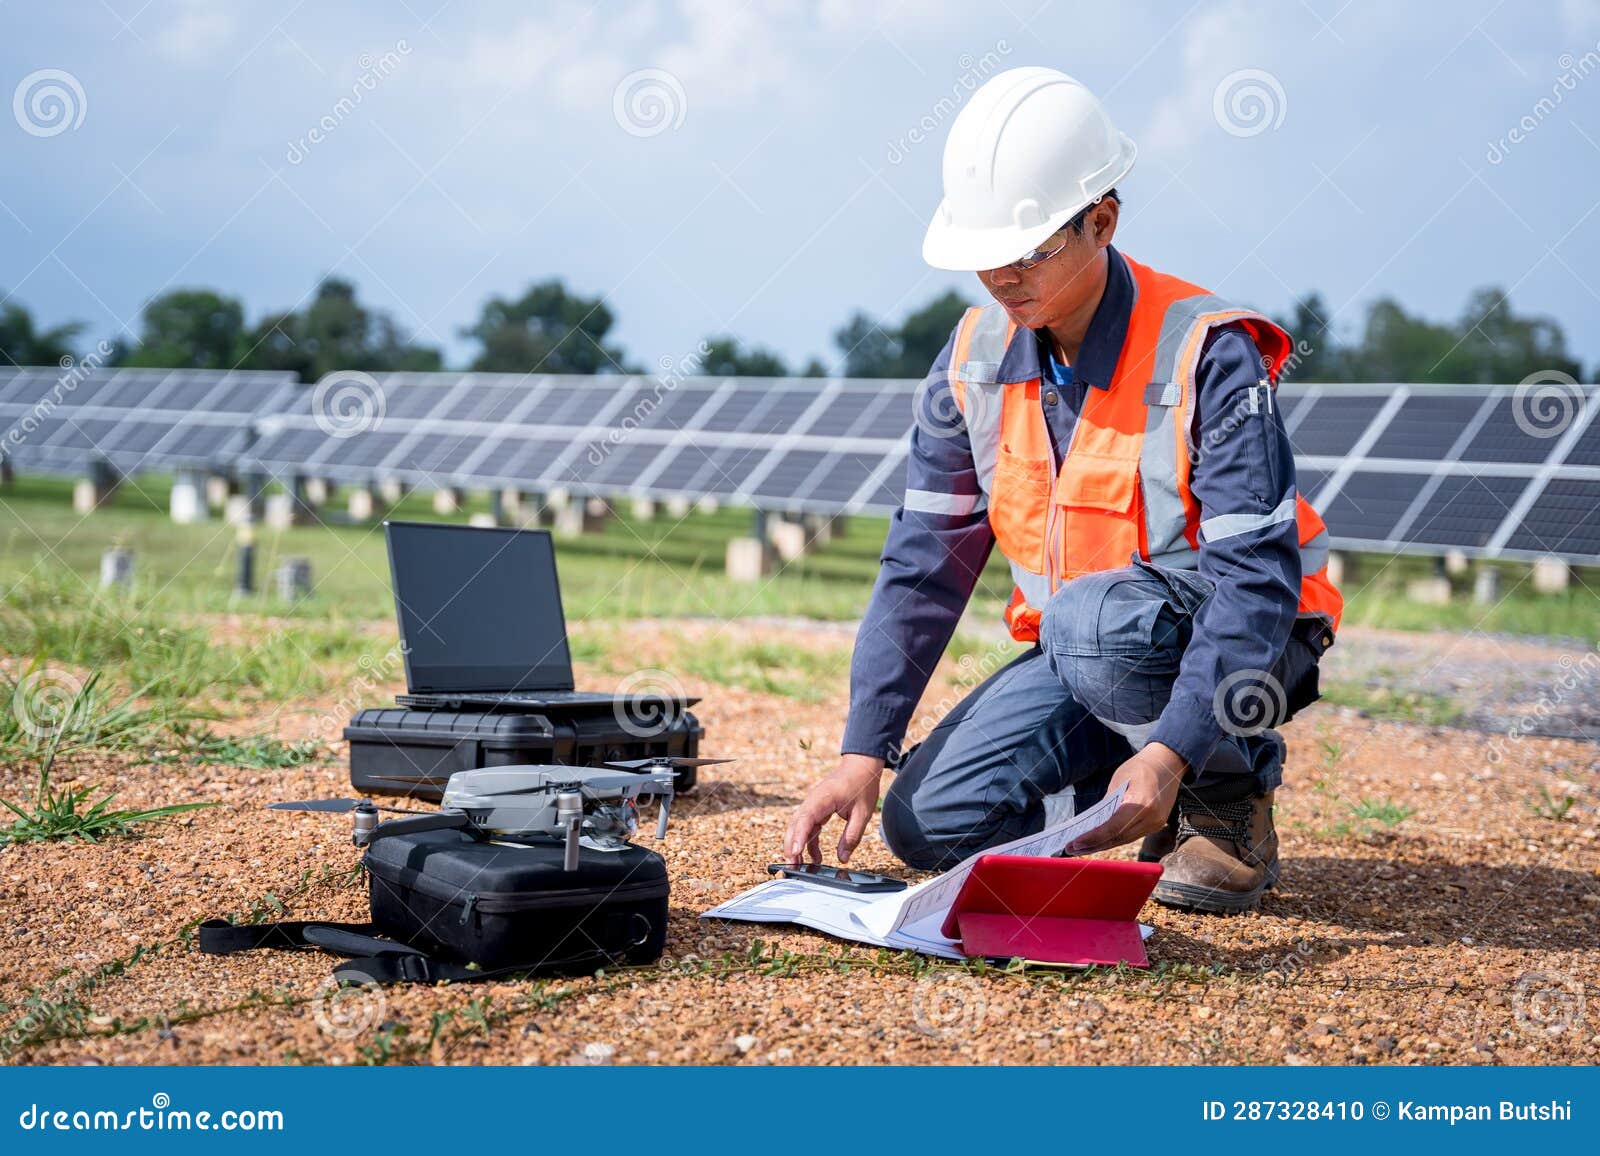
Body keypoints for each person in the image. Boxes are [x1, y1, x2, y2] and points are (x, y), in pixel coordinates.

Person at [783, 67, 1342, 914]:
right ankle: (1111, 801)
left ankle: (1225, 792)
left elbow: (1259, 581)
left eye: (1029, 250)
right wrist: (864, 749)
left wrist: (1174, 750)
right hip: (1088, 654)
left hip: (1254, 636)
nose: (1001, 277)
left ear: (1103, 221)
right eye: (984, 256)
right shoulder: (970, 361)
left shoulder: (1207, 352)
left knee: (1091, 621)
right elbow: (924, 563)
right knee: (926, 825)